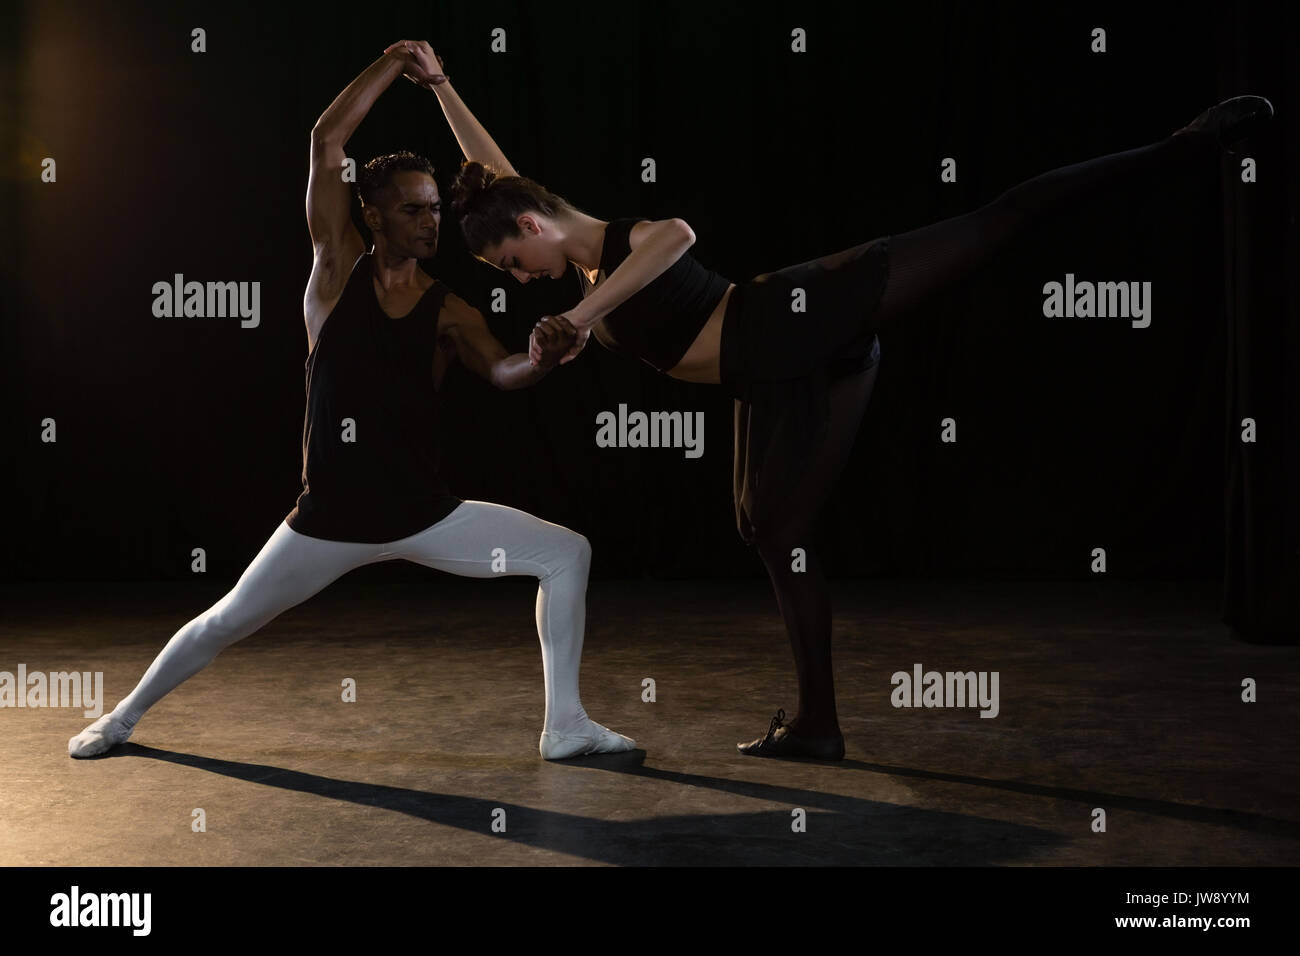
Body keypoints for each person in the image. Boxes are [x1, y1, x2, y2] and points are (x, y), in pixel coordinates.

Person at [391, 39, 1271, 760]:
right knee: (766, 527)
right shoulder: (575, 256)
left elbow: (680, 237)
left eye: (511, 263)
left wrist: (578, 319)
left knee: (998, 219)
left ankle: (1182, 147)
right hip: (780, 372)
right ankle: (819, 726)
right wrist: (444, 86)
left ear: (531, 229)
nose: (519, 280)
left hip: (804, 314)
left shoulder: (620, 251)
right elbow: (492, 172)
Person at [68, 46, 635, 763]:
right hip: (328, 520)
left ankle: (565, 727)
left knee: (566, 554)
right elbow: (326, 142)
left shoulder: (449, 308)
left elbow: (503, 373)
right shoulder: (334, 272)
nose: (430, 224)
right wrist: (396, 61)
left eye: (434, 210)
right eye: (411, 211)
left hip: (424, 514)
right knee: (222, 622)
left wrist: (546, 356)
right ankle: (121, 718)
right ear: (370, 215)